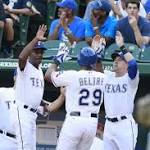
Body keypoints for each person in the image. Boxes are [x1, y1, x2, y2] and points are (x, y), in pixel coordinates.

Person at [45, 46, 105, 150]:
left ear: (79, 61)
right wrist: (98, 57)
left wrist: (58, 59)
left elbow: (48, 75)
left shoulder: (73, 75)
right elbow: (99, 71)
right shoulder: (103, 77)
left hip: (75, 121)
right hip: (92, 124)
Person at [103, 31, 139, 150]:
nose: (116, 61)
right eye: (115, 59)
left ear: (126, 64)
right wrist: (96, 50)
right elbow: (95, 68)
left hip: (124, 124)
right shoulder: (107, 76)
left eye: (120, 59)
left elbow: (133, 64)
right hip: (108, 125)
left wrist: (122, 46)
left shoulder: (130, 78)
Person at [14, 24, 47, 150]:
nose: (39, 55)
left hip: (32, 115)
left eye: (41, 52)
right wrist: (36, 39)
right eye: (36, 52)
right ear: (30, 53)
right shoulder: (25, 66)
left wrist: (44, 103)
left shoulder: (39, 71)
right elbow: (21, 57)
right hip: (22, 113)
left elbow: (34, 93)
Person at [0, 70, 17, 150]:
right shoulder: (3, 92)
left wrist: (61, 96)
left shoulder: (31, 97)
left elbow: (49, 108)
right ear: (14, 78)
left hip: (23, 141)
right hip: (5, 139)